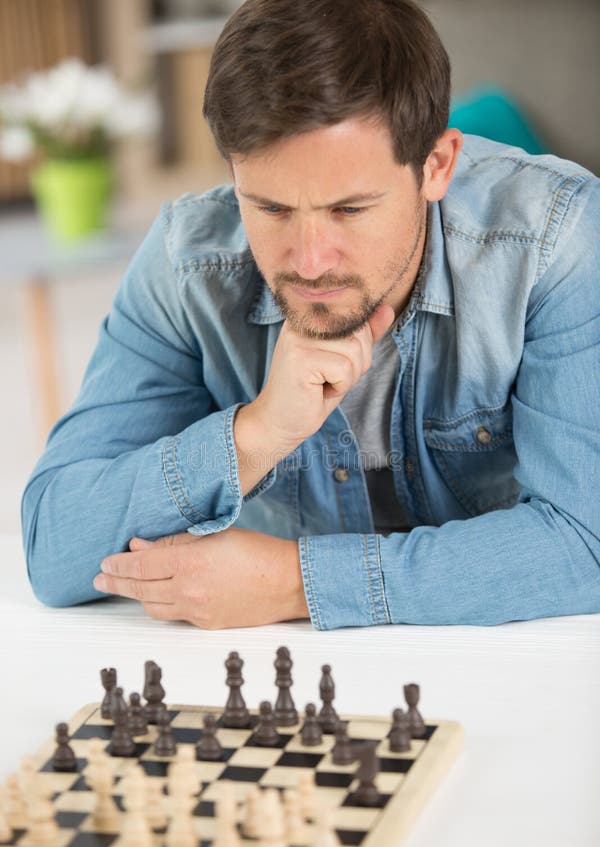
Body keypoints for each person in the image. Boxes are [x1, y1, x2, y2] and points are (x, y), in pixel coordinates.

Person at [21, 0, 599, 630]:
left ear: (436, 165)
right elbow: (53, 549)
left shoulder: (554, 242)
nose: (311, 261)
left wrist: (294, 582)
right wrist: (256, 434)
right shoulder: (188, 267)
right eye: (270, 209)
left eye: (349, 210)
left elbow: (584, 545)